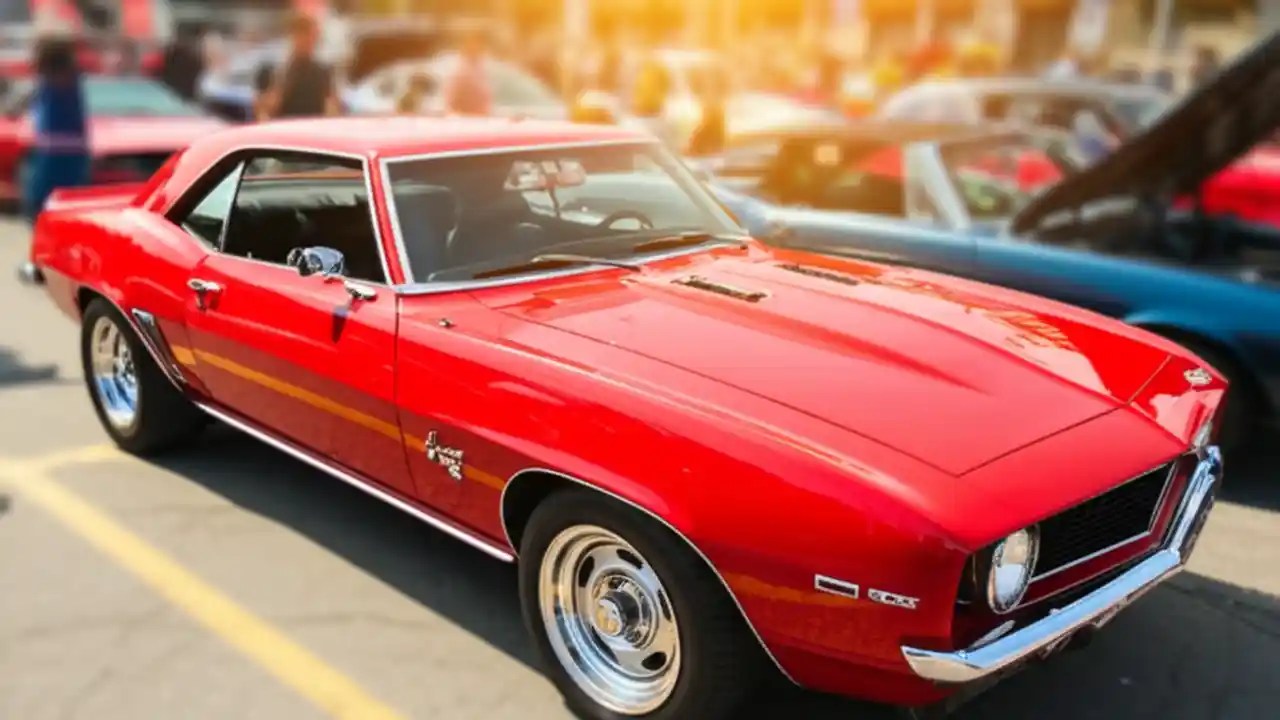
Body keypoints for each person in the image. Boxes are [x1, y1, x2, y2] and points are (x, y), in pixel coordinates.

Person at [23, 34, 90, 222]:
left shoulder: (47, 83)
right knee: (70, 201)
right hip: (76, 150)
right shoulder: (73, 81)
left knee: (41, 202)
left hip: (50, 151)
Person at [255, 13, 338, 121]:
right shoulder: (275, 69)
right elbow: (264, 110)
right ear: (293, 36)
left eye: (313, 37)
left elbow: (331, 107)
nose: (310, 43)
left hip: (312, 130)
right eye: (305, 36)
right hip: (285, 130)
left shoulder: (322, 71)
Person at [441, 26, 493, 116]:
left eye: (480, 43)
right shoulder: (457, 69)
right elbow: (450, 101)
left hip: (482, 119)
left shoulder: (483, 66)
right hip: (464, 120)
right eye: (473, 43)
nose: (477, 47)